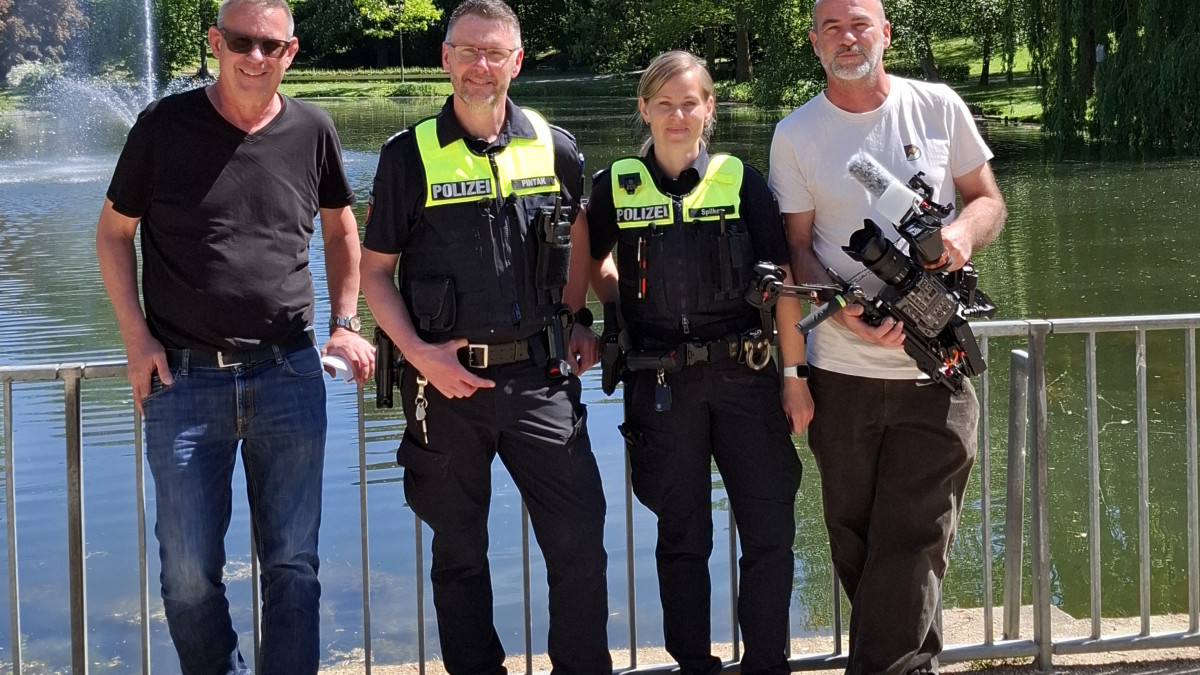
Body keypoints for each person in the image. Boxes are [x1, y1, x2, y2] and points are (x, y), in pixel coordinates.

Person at [95, 0, 375, 672]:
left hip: (290, 373)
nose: (255, 57)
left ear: (291, 52)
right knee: (188, 574)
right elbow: (112, 234)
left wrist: (345, 322)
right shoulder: (163, 126)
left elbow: (341, 229)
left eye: (270, 45)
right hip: (183, 381)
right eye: (241, 41)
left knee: (294, 565)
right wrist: (136, 339)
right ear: (216, 43)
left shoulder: (312, 129)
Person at [358, 1, 611, 673]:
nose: (481, 65)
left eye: (495, 52)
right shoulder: (408, 156)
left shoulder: (554, 146)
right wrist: (419, 356)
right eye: (468, 50)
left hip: (539, 376)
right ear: (446, 58)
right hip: (446, 382)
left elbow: (577, 233)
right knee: (459, 550)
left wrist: (577, 317)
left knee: (580, 537)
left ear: (516, 62)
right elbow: (374, 273)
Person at [768, 1, 1007, 674]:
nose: (847, 38)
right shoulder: (796, 134)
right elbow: (796, 246)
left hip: (938, 369)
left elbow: (988, 199)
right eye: (833, 28)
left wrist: (959, 235)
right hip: (839, 375)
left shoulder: (938, 106)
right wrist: (841, 307)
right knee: (860, 542)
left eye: (859, 24)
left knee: (915, 537)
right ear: (815, 42)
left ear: (885, 33)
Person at [586, 51, 807, 675]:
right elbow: (590, 258)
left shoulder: (742, 181)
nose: (677, 115)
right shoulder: (616, 185)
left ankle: (767, 664)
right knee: (682, 536)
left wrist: (795, 378)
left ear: (709, 108)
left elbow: (785, 284)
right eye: (664, 103)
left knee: (768, 530)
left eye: (690, 103)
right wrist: (617, 303)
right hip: (661, 385)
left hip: (746, 377)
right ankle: (693, 664)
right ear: (644, 109)